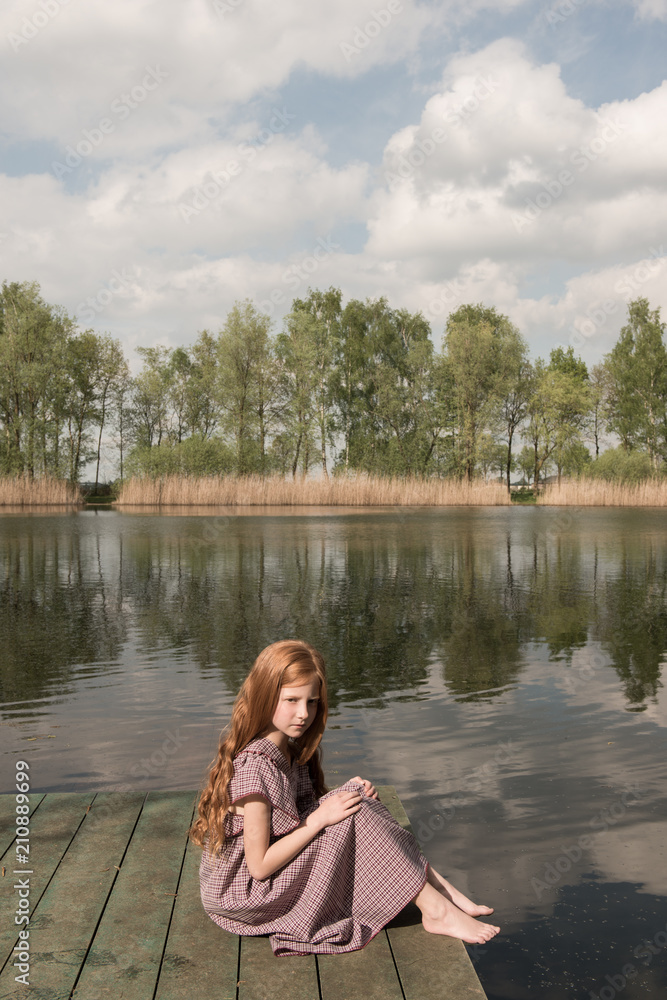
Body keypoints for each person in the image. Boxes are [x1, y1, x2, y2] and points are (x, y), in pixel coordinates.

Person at [190, 639, 500, 957]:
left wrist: (342, 792)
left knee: (357, 799)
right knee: (354, 812)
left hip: (259, 880)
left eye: (312, 702)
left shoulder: (285, 748)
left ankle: (438, 889)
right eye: (291, 700)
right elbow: (259, 867)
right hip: (244, 896)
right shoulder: (255, 768)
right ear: (265, 696)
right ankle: (437, 909)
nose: (303, 713)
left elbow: (293, 817)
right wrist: (320, 819)